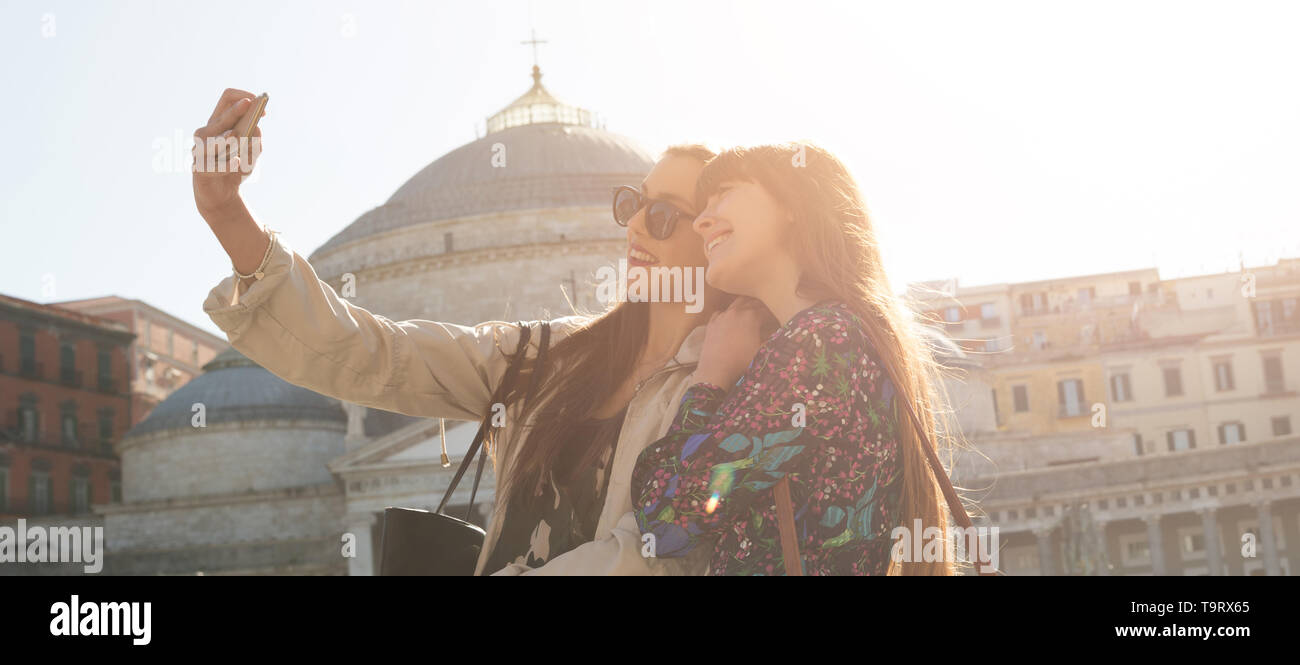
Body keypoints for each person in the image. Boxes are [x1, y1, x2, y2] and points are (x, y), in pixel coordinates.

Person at [191, 87, 725, 575]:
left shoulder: (731, 383)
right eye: (633, 203)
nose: (633, 225)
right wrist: (227, 212)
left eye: (662, 214)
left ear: (714, 238)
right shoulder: (547, 356)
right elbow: (377, 354)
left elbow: (654, 555)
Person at [630, 142, 964, 575]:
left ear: (793, 203)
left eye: (724, 193)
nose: (702, 222)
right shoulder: (850, 332)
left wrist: (710, 378)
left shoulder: (820, 341)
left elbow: (667, 521)